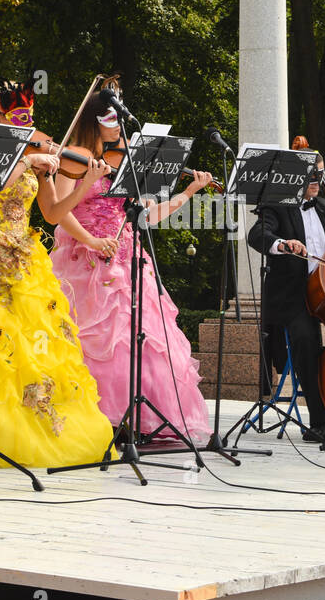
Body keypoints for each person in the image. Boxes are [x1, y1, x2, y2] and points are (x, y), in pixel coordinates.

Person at [0, 79, 118, 467]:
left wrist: (88, 184)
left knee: (37, 350)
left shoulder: (38, 157)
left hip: (28, 258)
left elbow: (52, 213)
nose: (26, 125)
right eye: (15, 114)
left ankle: (40, 425)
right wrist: (29, 162)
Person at [48, 88, 214, 445]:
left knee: (138, 339)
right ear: (95, 121)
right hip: (85, 257)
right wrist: (91, 240)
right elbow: (59, 214)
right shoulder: (74, 157)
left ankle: (136, 420)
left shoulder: (125, 161)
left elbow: (146, 217)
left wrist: (188, 193)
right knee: (94, 339)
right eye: (113, 121)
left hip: (127, 256)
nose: (120, 128)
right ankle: (100, 421)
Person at [245, 136, 325, 442]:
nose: (316, 182)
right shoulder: (276, 204)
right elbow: (257, 235)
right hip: (296, 296)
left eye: (320, 175)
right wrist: (282, 244)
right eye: (310, 177)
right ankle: (319, 422)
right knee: (306, 342)